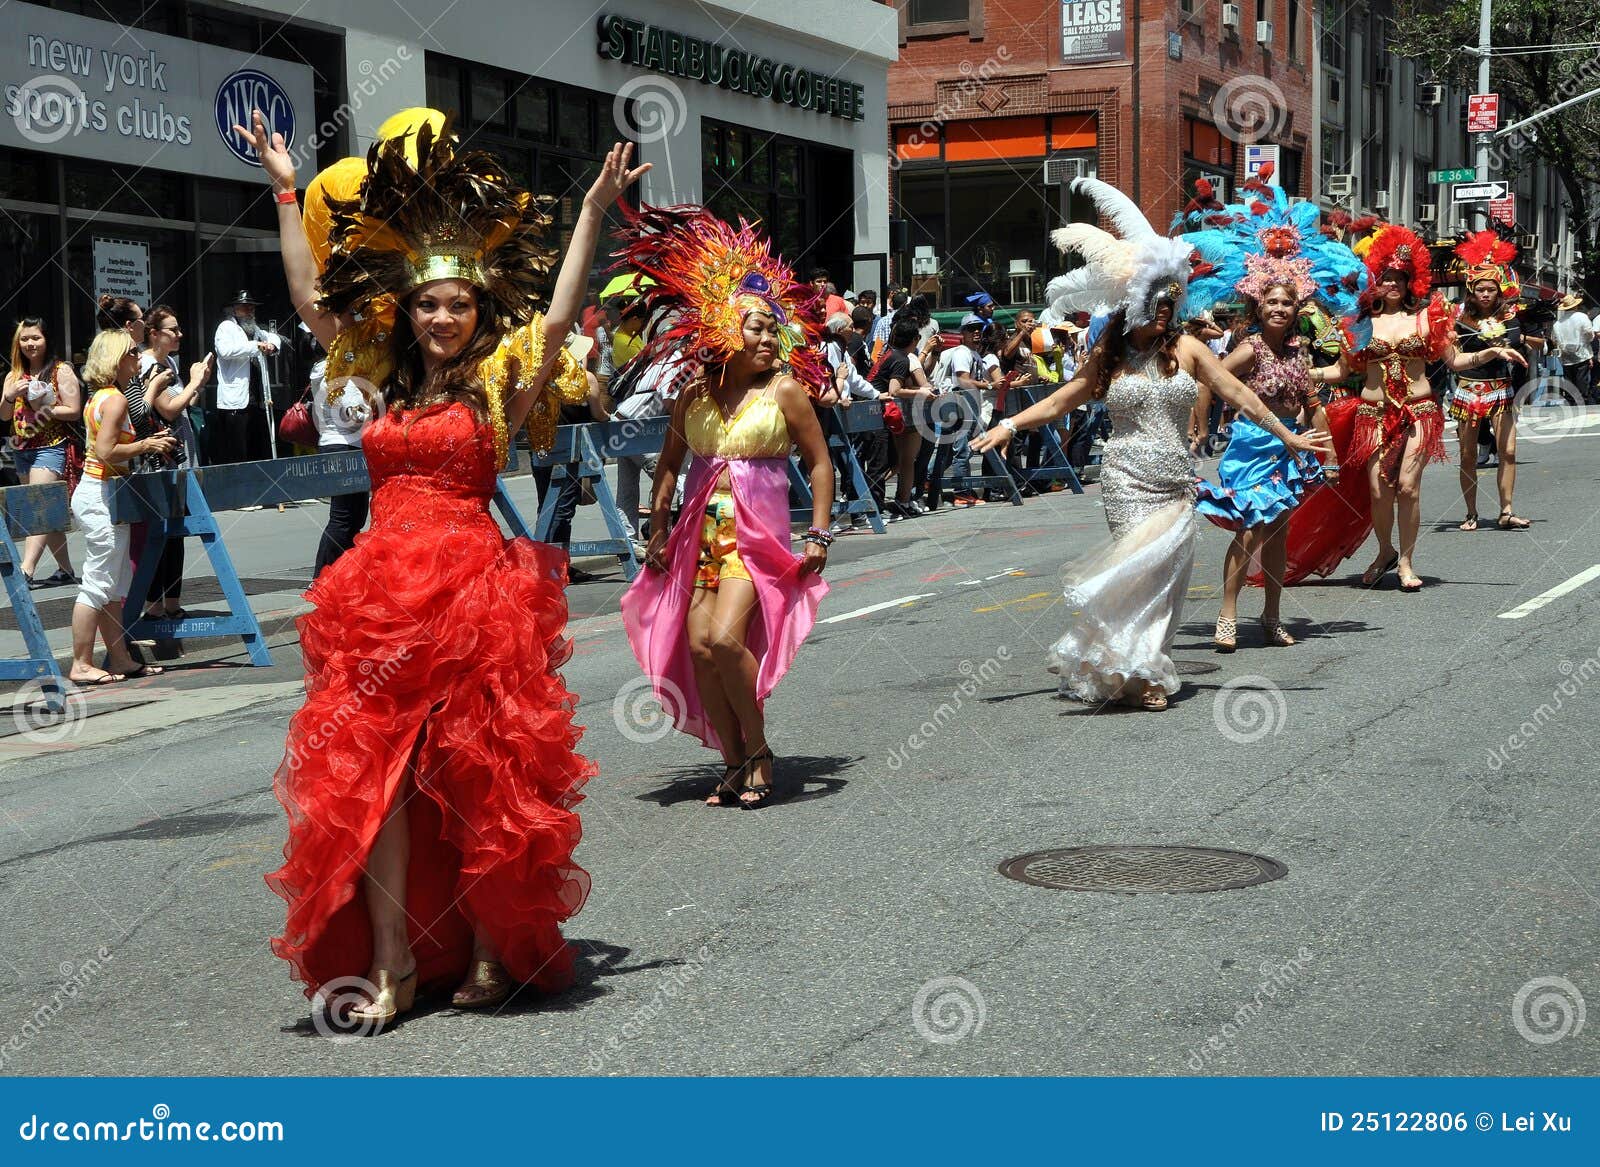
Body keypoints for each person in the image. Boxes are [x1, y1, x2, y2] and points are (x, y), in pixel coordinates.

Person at [240, 106, 647, 1029]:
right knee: (372, 780)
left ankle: (493, 946)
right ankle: (392, 962)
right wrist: (285, 187)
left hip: (471, 595)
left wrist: (591, 213)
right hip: (379, 594)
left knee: (475, 775)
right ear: (408, 308)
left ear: (477, 307)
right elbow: (311, 303)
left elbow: (554, 317)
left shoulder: (503, 382)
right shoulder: (381, 371)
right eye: (428, 302)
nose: (443, 315)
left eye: (458, 302)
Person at [974, 177, 1327, 710]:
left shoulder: (1186, 347)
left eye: (1171, 300)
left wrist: (1288, 435)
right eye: (1156, 300)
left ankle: (1144, 665)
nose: (1165, 309)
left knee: (1166, 576)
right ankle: (1141, 673)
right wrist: (1010, 425)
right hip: (1124, 479)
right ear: (1135, 298)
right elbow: (1064, 397)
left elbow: (1238, 393)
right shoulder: (1109, 352)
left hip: (1173, 480)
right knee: (1136, 572)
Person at [621, 205, 833, 809]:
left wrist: (818, 534)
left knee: (721, 641)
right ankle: (734, 760)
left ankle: (760, 749)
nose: (770, 340)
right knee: (695, 646)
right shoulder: (692, 395)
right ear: (721, 328)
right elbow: (667, 468)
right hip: (698, 535)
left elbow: (820, 464)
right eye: (757, 329)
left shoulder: (785, 392)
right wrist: (657, 529)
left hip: (754, 536)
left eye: (775, 329)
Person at [1341, 226, 1525, 590]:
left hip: (1418, 411)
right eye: (1386, 278)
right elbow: (1342, 371)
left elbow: (1454, 361)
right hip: (1373, 414)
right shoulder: (1359, 322)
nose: (1392, 284)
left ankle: (1407, 563)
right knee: (1379, 489)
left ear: (1411, 282)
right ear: (1375, 282)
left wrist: (1491, 351)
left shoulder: (1428, 317)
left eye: (1399, 279)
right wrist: (1303, 370)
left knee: (1408, 487)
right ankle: (1384, 552)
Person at [68, 330, 177, 685]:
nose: (137, 357)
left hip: (107, 494)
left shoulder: (104, 395)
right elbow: (104, 451)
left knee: (113, 585)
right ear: (117, 359)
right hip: (101, 493)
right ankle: (81, 663)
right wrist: (147, 444)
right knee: (98, 583)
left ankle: (119, 658)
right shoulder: (113, 399)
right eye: (132, 352)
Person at [128, 306, 213, 628]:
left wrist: (199, 382)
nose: (179, 335)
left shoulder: (170, 362)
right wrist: (193, 382)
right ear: (154, 333)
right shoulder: (149, 364)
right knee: (160, 533)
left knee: (177, 532)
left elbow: (185, 402)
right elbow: (167, 410)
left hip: (180, 449)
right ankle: (153, 606)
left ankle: (173, 603)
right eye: (172, 330)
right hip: (161, 456)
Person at [1447, 233, 1536, 532]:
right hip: (1468, 390)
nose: (1486, 295)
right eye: (1480, 290)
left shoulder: (1509, 316)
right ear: (1471, 293)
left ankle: (1506, 510)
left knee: (1508, 451)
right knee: (1468, 454)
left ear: (1499, 292)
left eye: (1491, 290)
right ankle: (1470, 512)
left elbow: (1515, 340)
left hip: (1501, 389)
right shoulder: (1458, 319)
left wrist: (1513, 338)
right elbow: (1452, 351)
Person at [1, 318, 81, 588]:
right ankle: (66, 570)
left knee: (38, 508)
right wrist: (10, 395)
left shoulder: (61, 371)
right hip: (22, 450)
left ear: (46, 339)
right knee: (48, 512)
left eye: (35, 338)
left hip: (50, 447)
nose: (30, 344)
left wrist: (41, 406)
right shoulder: (13, 375)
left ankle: (26, 569)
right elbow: (3, 415)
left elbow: (73, 410)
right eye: (24, 339)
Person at [870, 316, 935, 520]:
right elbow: (895, 390)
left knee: (896, 461)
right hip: (889, 413)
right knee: (905, 460)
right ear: (915, 339)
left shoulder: (889, 354)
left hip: (883, 412)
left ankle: (898, 501)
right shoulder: (902, 359)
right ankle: (900, 501)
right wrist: (922, 392)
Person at [211, 291, 280, 466]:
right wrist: (255, 346)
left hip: (257, 400)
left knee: (257, 449)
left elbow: (272, 337)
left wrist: (271, 344)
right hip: (236, 401)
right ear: (233, 309)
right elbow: (225, 351)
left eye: (252, 307)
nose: (250, 310)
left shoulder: (255, 329)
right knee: (237, 450)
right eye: (244, 306)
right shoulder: (226, 327)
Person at [1552, 290, 1595, 406]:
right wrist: (1587, 342)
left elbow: (1554, 339)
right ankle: (1581, 400)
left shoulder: (1558, 323)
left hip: (1566, 356)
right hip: (1581, 353)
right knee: (1582, 379)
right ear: (1576, 306)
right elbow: (1589, 334)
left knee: (1569, 379)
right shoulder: (1582, 317)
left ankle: (1571, 401)